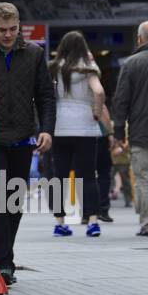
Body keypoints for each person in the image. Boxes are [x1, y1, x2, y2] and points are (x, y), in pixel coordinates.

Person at [0, 2, 55, 286]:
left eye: (12, 29)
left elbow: (46, 97)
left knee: (14, 202)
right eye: (2, 30)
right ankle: (3, 262)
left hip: (23, 137)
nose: (8, 35)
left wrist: (47, 131)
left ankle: (4, 257)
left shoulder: (35, 54)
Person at [49, 33, 110, 238]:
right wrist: (96, 111)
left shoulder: (56, 68)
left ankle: (59, 223)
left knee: (61, 176)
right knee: (88, 176)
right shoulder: (88, 69)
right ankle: (92, 222)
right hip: (84, 128)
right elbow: (99, 92)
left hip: (60, 127)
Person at [110, 19, 148, 236]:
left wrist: (117, 132)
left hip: (142, 132)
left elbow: (121, 100)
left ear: (139, 39)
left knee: (146, 179)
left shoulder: (131, 64)